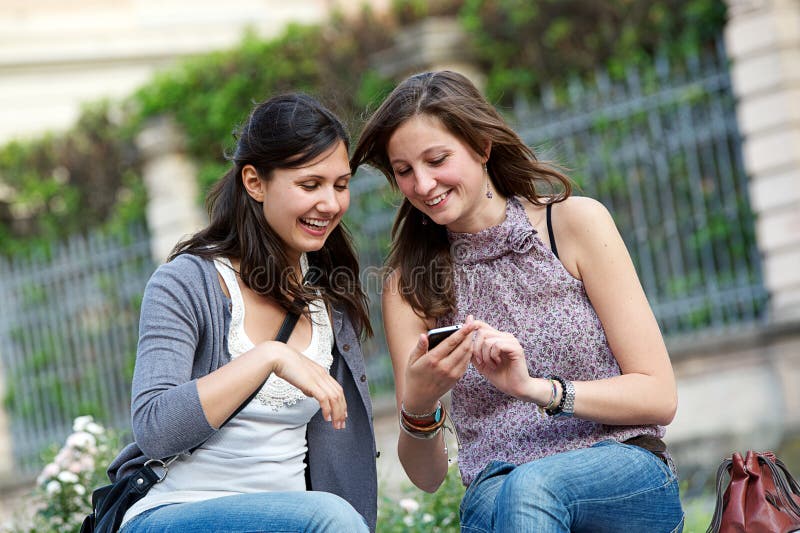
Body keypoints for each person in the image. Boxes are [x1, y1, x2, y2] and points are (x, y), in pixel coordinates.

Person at [350, 70, 684, 532]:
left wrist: (535, 389)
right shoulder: (409, 286)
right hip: (497, 486)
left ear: (482, 146)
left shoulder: (573, 224)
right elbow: (426, 479)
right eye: (404, 171)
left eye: (437, 159)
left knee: (532, 488)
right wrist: (420, 405)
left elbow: (658, 395)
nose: (423, 184)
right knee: (515, 495)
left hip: (622, 467)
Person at [108, 93, 377, 532]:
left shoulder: (328, 296)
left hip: (294, 519)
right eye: (310, 185)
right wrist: (269, 356)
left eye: (340, 185)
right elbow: (154, 427)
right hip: (174, 513)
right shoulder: (186, 283)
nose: (330, 203)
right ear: (255, 182)